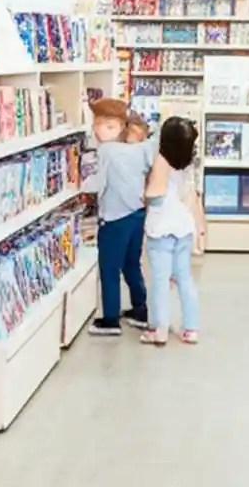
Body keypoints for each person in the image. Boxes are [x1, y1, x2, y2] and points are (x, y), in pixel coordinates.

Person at [84, 98, 155, 336]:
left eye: (103, 125)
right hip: (137, 213)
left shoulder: (106, 151)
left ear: (117, 127)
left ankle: (111, 318)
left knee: (109, 268)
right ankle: (140, 309)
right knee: (131, 264)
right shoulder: (142, 149)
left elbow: (98, 185)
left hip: (114, 217)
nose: (96, 130)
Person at [140, 116, 203, 346]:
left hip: (161, 230)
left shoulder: (161, 162)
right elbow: (191, 196)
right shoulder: (187, 165)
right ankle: (191, 328)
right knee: (185, 278)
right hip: (183, 227)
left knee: (160, 281)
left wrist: (143, 195)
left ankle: (160, 329)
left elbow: (154, 196)